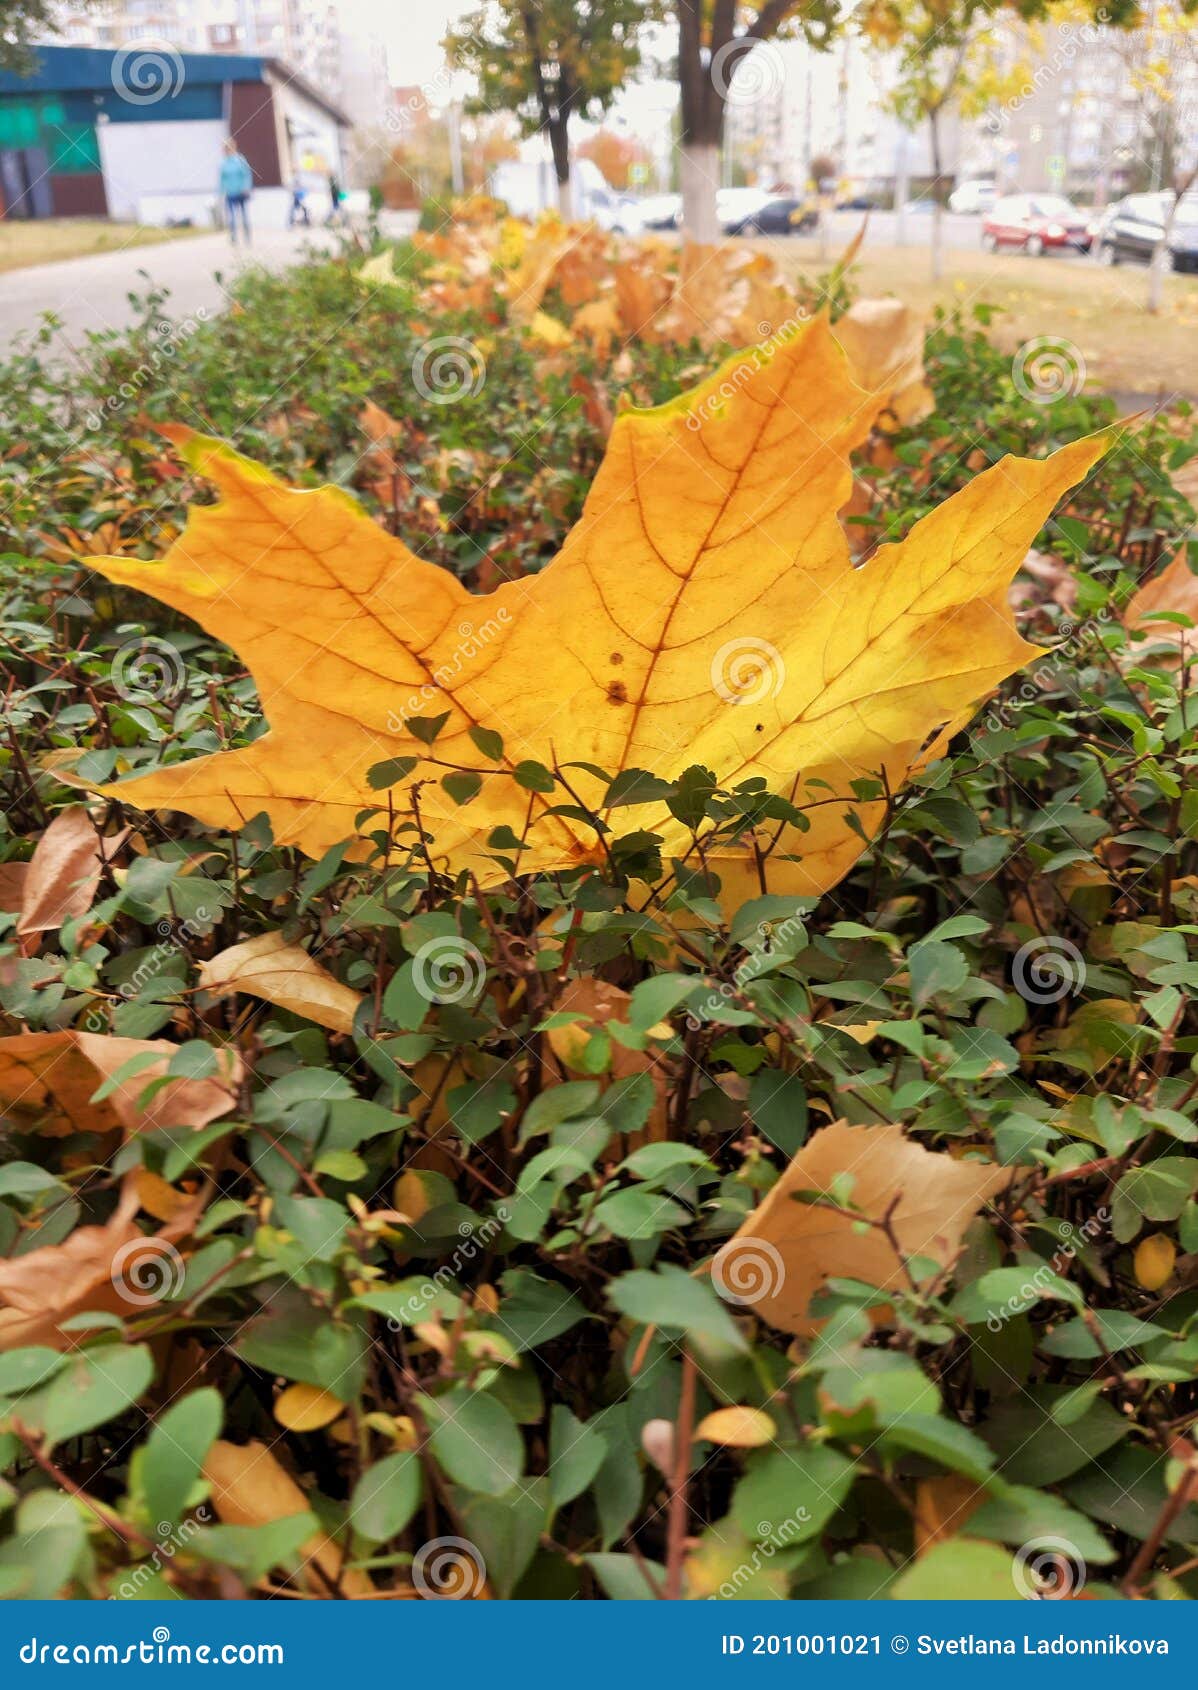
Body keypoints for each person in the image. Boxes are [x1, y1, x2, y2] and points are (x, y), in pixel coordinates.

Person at [219, 138, 253, 245]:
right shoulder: (223, 163)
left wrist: (246, 187)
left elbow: (246, 175)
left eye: (228, 148)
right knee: (232, 217)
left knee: (244, 216)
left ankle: (247, 237)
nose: (226, 151)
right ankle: (233, 237)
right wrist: (221, 193)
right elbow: (222, 179)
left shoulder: (240, 160)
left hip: (241, 192)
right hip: (230, 193)